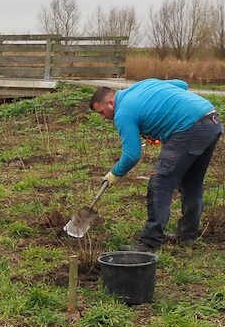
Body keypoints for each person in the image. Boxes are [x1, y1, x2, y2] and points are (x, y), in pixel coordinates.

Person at [90, 79, 222, 251]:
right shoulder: (142, 85)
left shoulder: (123, 113)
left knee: (159, 183)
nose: (103, 117)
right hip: (211, 121)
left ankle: (149, 243)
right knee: (192, 183)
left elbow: (132, 155)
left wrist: (115, 173)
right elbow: (181, 84)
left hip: (188, 128)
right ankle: (187, 236)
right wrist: (160, 117)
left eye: (102, 112)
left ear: (110, 103)